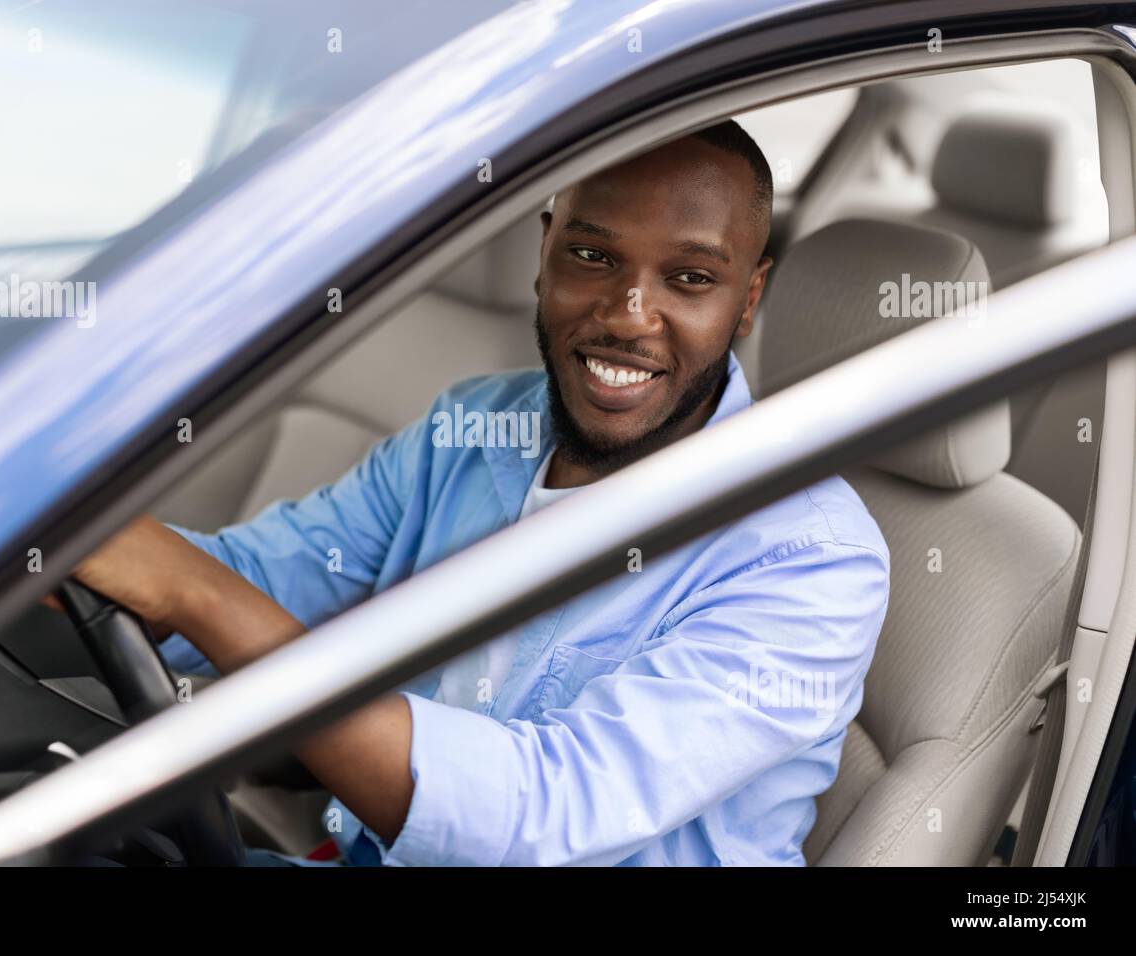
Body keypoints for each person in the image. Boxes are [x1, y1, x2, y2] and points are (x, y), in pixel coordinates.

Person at [64, 120, 890, 866]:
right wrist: (32, 560)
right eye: (593, 257)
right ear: (545, 251)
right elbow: (260, 576)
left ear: (747, 300)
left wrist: (196, 593)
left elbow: (541, 816)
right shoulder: (474, 429)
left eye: (690, 277)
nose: (629, 316)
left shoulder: (809, 558)